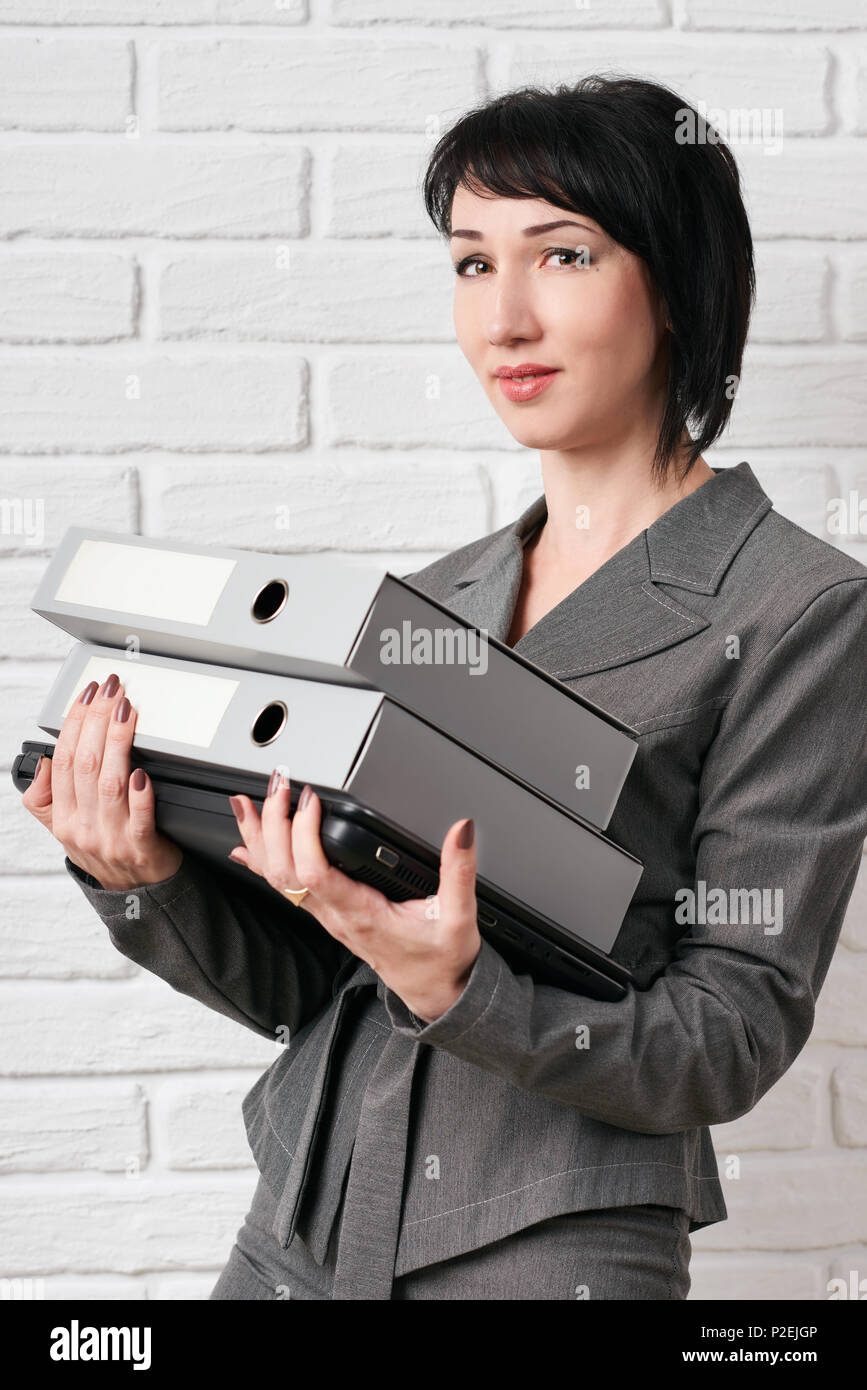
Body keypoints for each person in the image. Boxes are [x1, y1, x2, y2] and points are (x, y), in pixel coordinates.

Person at [23, 75, 867, 1301]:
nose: (505, 318)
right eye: (473, 264)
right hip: (300, 1223)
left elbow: (727, 1037)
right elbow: (318, 983)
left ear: (679, 282)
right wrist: (142, 876)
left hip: (546, 1249)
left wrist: (461, 988)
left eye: (563, 254)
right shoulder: (433, 602)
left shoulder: (796, 607)